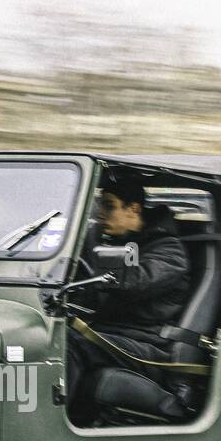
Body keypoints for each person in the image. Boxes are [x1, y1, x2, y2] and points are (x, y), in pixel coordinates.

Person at [66, 170, 191, 423]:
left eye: (109, 206)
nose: (101, 213)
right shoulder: (118, 243)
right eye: (101, 205)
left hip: (148, 345)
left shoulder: (169, 250)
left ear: (133, 209)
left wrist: (95, 260)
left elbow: (137, 282)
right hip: (112, 334)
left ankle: (54, 425)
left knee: (69, 342)